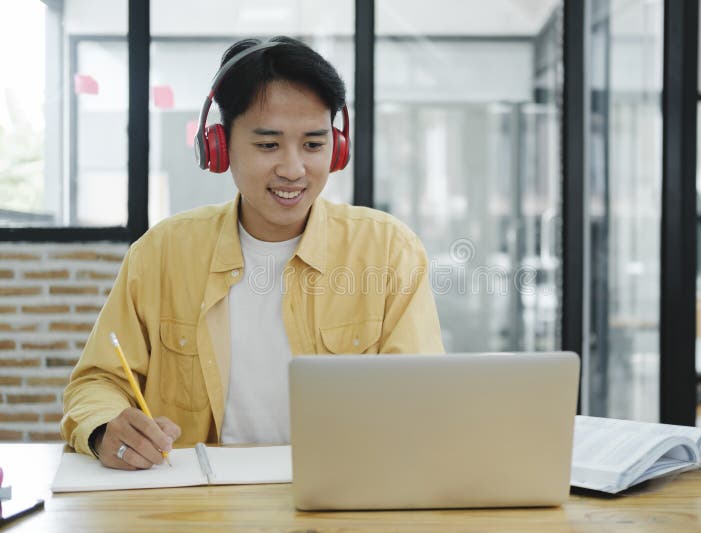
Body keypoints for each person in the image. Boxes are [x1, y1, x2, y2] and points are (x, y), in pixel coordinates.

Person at [61, 36, 444, 470]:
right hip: (196, 506)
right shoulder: (163, 253)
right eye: (268, 145)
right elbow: (97, 381)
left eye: (314, 145)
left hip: (341, 490)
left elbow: (421, 396)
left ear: (337, 149)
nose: (294, 168)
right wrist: (105, 428)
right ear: (218, 146)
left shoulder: (388, 250)